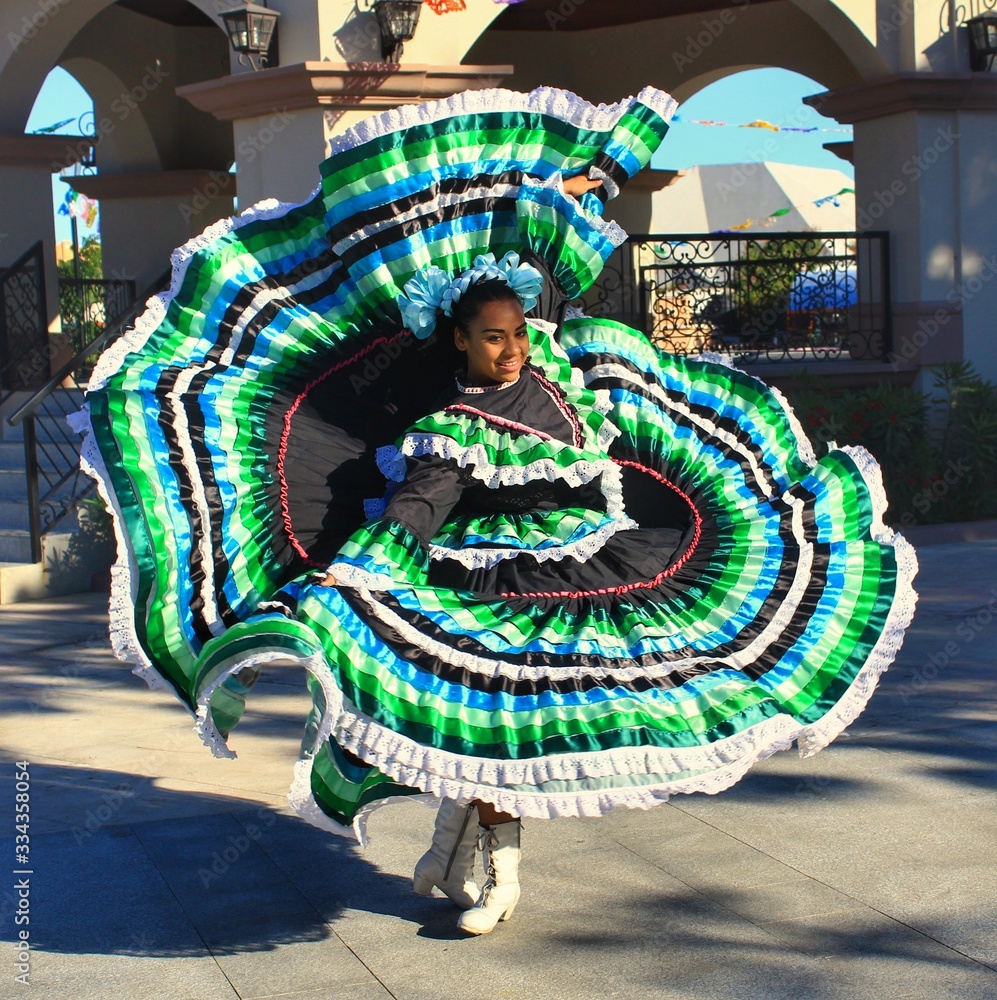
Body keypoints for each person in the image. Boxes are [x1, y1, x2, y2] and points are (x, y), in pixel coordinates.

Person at [80, 85, 918, 941]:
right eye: (491, 336)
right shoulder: (452, 426)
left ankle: (452, 850)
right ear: (457, 339)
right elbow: (417, 504)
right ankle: (495, 870)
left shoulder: (549, 355)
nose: (510, 346)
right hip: (488, 578)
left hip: (590, 561)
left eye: (516, 332)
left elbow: (554, 267)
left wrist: (593, 182)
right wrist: (345, 573)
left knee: (544, 717)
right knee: (493, 723)